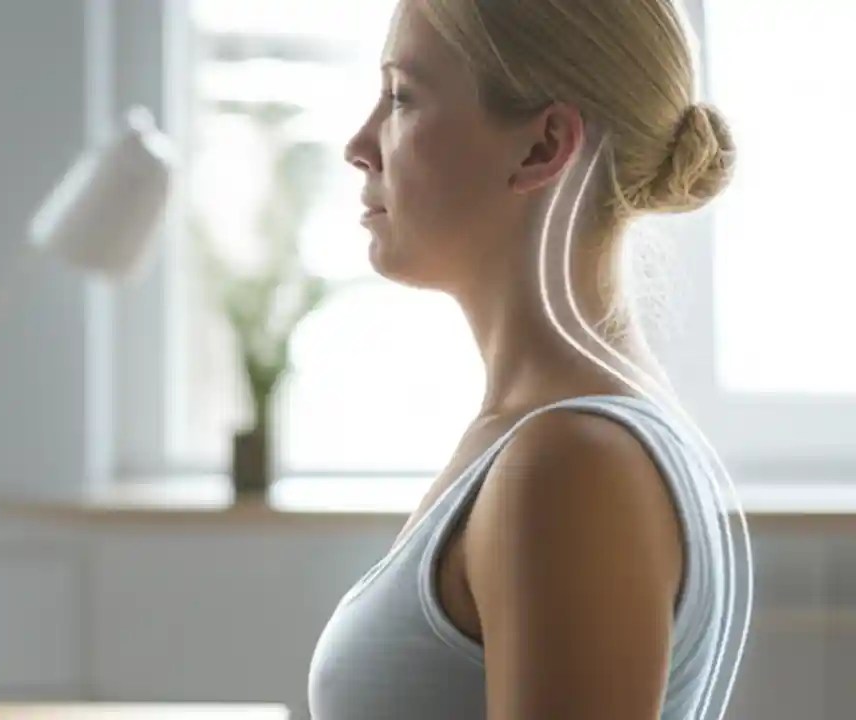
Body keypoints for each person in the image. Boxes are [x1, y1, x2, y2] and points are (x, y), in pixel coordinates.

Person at [307, 1, 751, 718]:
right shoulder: (546, 438)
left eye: (401, 97)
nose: (360, 144)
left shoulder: (571, 464)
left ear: (543, 148)